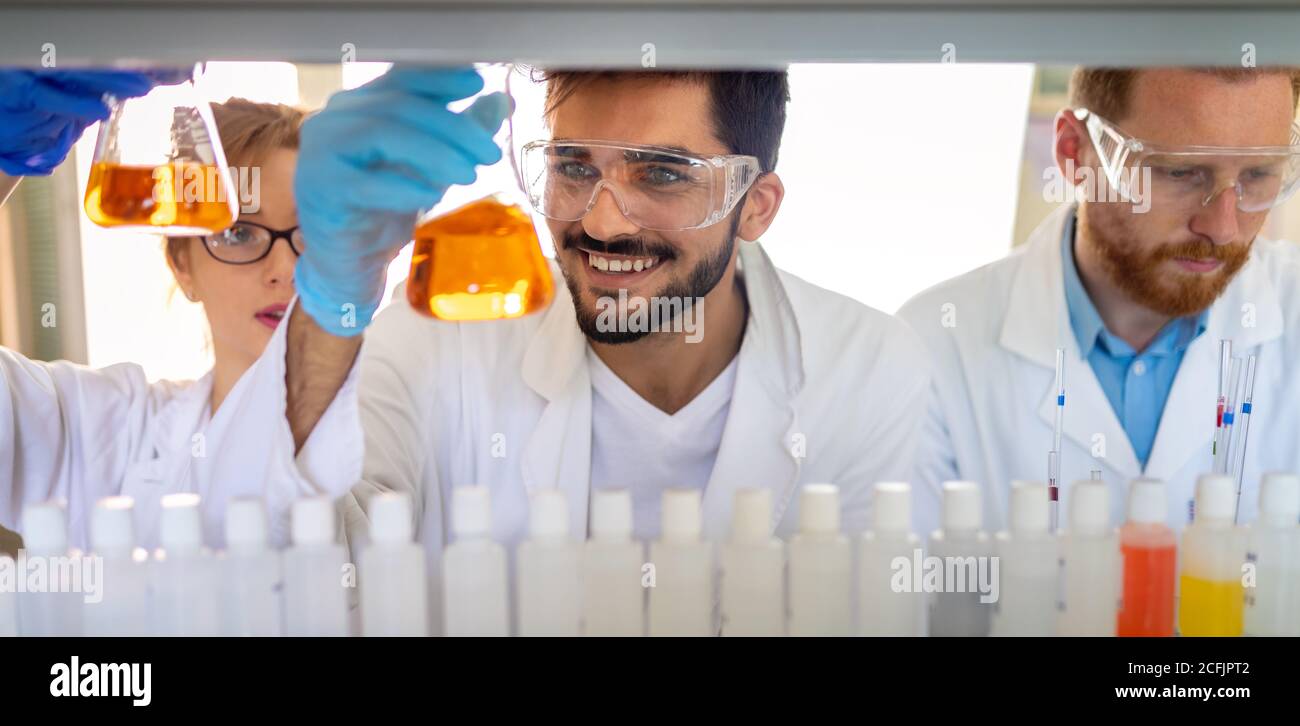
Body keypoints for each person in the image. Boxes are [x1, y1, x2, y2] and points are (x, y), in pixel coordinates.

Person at [302, 66, 930, 627]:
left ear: (755, 208)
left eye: (661, 174)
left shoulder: (865, 366)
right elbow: (304, 569)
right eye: (574, 168)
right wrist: (332, 302)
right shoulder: (439, 337)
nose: (602, 223)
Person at [1, 68, 501, 549]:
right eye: (238, 232)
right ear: (182, 264)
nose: (284, 268)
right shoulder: (97, 427)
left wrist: (336, 290)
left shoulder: (390, 429)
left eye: (312, 233)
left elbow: (291, 486)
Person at [897, 66, 1300, 534]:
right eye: (1179, 172)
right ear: (1075, 152)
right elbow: (904, 601)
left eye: (1257, 175)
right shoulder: (932, 349)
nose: (1223, 227)